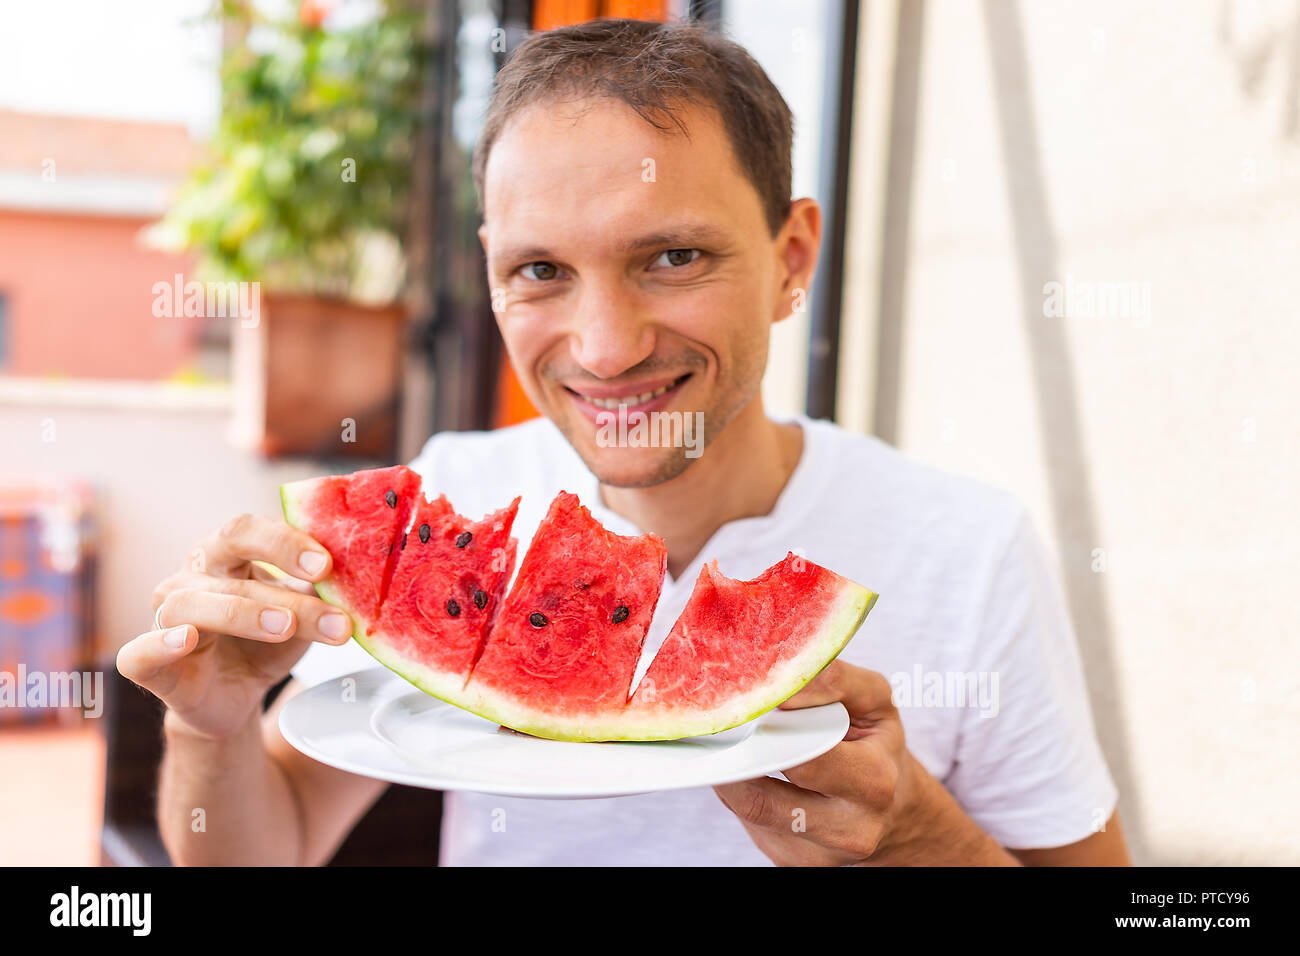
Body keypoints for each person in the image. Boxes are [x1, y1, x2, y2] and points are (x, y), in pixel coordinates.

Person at [117, 17, 1129, 866]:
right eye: (541, 270)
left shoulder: (966, 550)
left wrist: (916, 834)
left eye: (673, 256)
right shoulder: (456, 494)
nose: (605, 349)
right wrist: (210, 729)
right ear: (489, 272)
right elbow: (268, 842)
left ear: (791, 259)